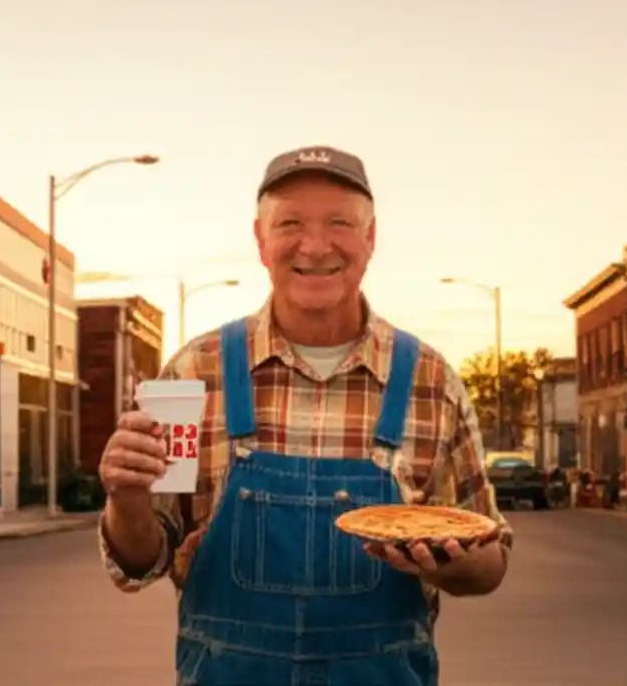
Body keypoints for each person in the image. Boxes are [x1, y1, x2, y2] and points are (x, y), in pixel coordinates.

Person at [97, 145, 512, 685]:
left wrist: (451, 560)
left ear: (370, 239)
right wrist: (126, 498)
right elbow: (142, 561)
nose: (315, 247)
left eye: (339, 223)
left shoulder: (433, 383)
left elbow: (491, 563)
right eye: (290, 222)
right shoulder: (192, 374)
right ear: (260, 241)